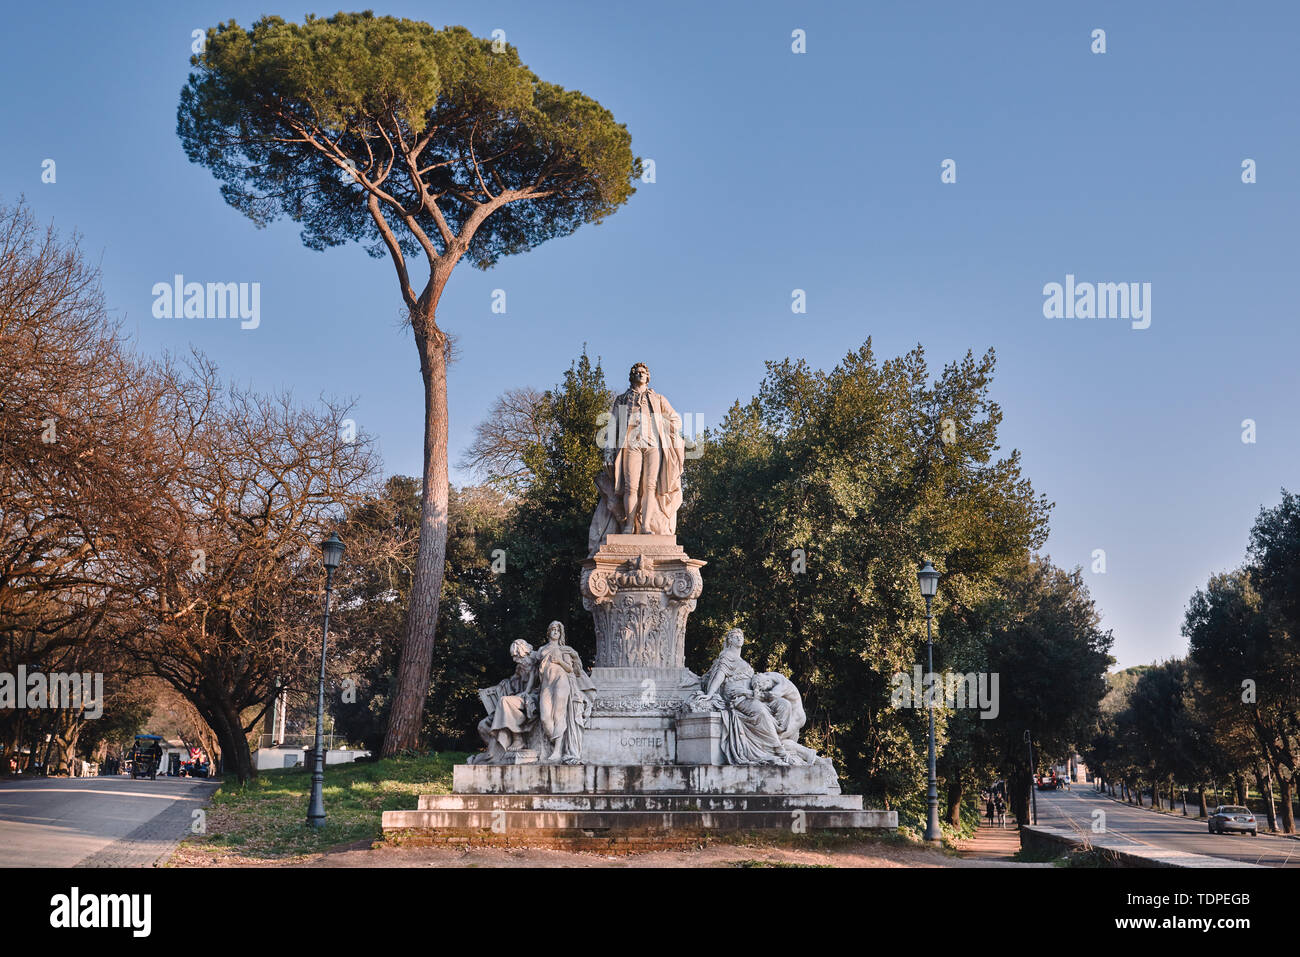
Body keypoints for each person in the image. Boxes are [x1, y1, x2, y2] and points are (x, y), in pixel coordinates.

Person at [532, 622, 597, 764]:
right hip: (546, 685)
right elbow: (533, 670)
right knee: (545, 718)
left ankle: (557, 750)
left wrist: (560, 661)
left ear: (561, 634)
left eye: (558, 630)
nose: (555, 632)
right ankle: (554, 742)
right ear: (548, 632)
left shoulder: (564, 650)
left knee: (558, 715)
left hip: (561, 682)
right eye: (553, 629)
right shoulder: (542, 650)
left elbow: (570, 669)